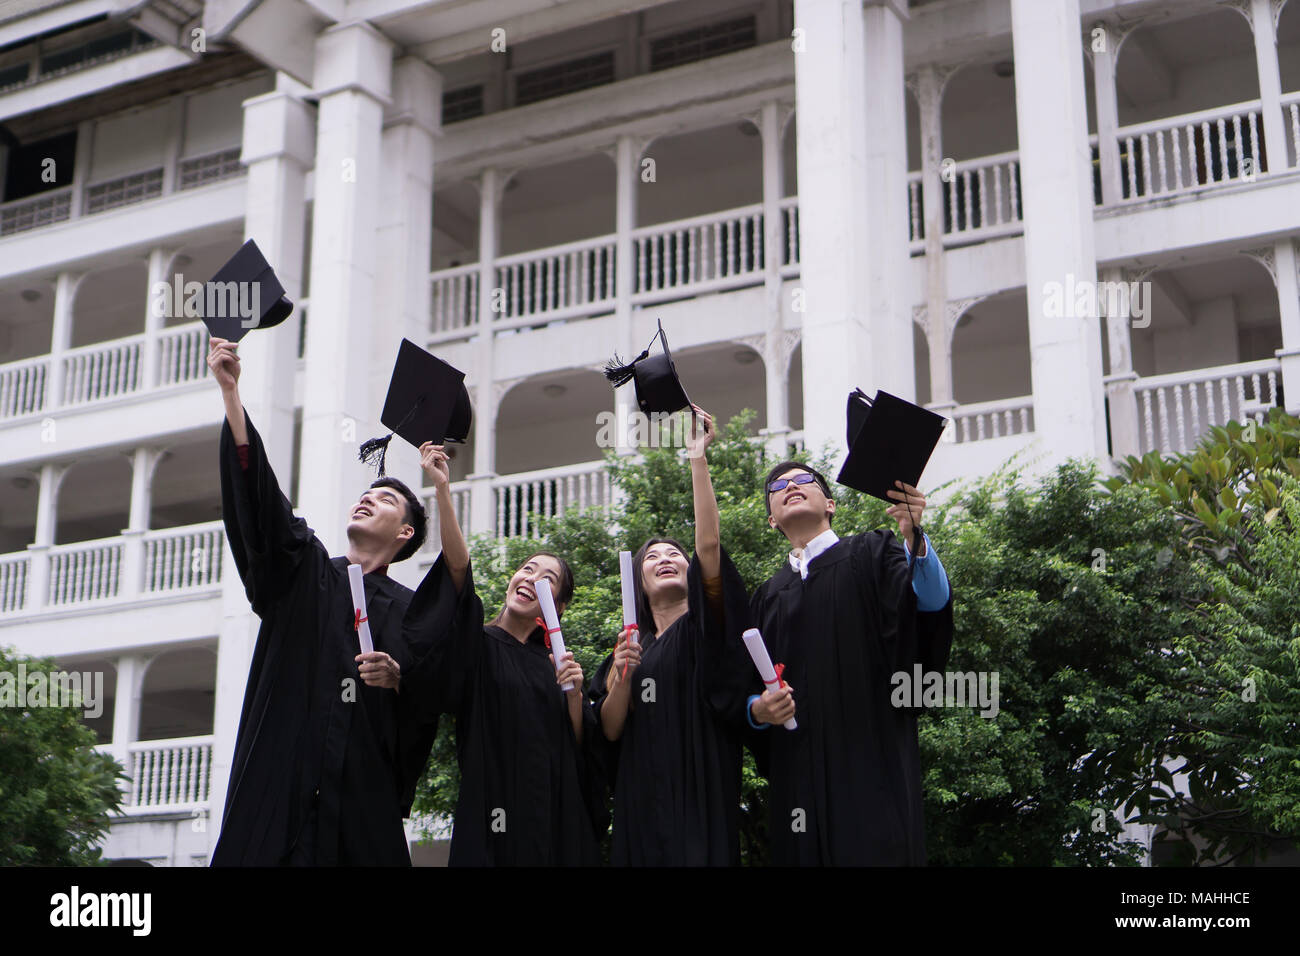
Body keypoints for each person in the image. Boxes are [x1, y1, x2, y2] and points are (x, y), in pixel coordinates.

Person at [207, 336, 447, 866]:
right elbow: (263, 505)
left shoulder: (412, 613)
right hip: (278, 792)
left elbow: (435, 699)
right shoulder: (306, 573)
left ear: (406, 533)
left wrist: (400, 679)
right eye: (367, 493)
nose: (368, 498)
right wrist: (231, 395)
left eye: (386, 499)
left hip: (359, 811)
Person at [747, 462, 954, 865]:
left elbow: (926, 610)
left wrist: (915, 540)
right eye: (778, 485)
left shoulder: (871, 553)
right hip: (797, 786)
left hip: (872, 770)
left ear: (831, 504)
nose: (791, 485)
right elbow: (740, 693)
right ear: (772, 520)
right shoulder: (765, 599)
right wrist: (758, 710)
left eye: (804, 479)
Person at [399, 483, 606, 865]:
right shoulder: (477, 643)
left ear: (556, 607)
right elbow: (459, 573)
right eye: (527, 569)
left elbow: (579, 746)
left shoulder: (556, 663)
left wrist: (574, 695)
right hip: (494, 809)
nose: (531, 578)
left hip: (557, 814)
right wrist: (443, 489)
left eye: (547, 578)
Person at [588, 407, 757, 866]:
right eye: (651, 557)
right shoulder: (630, 644)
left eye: (674, 554)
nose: (665, 558)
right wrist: (623, 673)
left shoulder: (706, 624)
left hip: (703, 778)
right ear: (638, 584)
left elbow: (709, 546)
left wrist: (697, 459)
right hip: (641, 791)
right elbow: (609, 728)